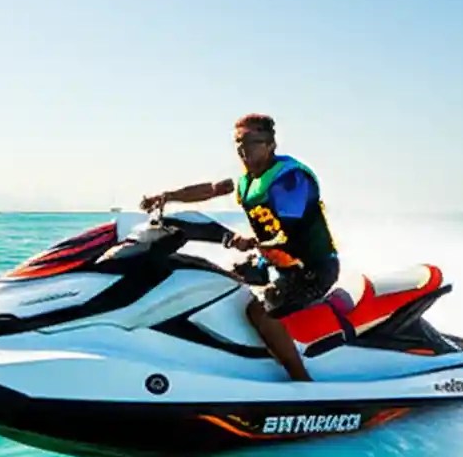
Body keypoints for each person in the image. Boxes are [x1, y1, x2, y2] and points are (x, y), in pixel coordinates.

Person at [140, 114, 339, 381]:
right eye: (237, 143)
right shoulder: (247, 179)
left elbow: (288, 235)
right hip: (274, 262)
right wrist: (167, 197)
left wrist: (251, 242)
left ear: (270, 144)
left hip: (311, 267)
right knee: (218, 282)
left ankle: (301, 381)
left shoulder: (290, 179)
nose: (242, 150)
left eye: (249, 142)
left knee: (260, 311)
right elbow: (210, 189)